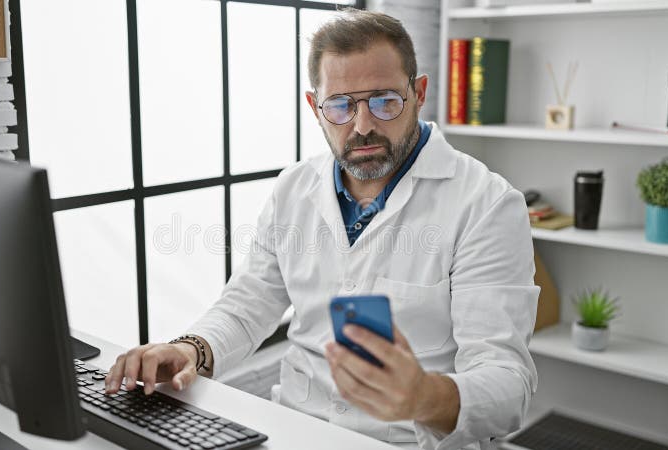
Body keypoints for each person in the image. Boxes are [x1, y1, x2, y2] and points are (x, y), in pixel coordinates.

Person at [105, 9, 538, 450]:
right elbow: (248, 304)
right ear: (315, 107)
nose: (363, 125)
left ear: (419, 92)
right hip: (293, 434)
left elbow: (508, 384)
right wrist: (190, 350)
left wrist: (425, 397)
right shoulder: (294, 188)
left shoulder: (487, 204)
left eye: (385, 100)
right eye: (341, 105)